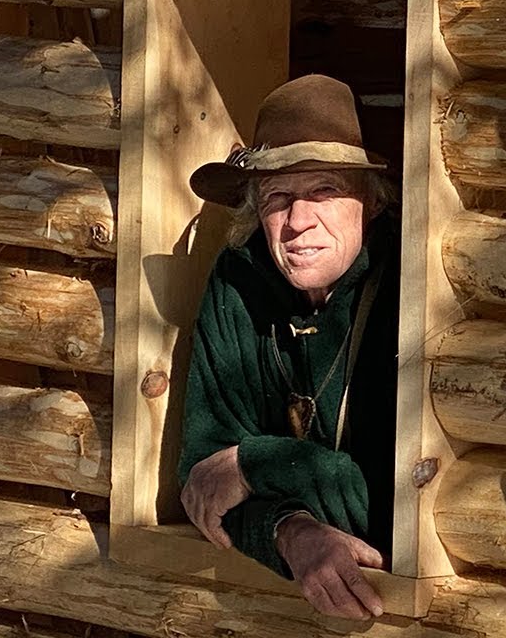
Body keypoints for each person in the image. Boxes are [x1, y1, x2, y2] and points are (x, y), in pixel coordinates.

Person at [178, 74, 398, 621]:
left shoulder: (406, 288)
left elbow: (391, 508)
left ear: (369, 202)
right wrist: (291, 531)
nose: (298, 222)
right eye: (278, 196)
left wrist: (254, 464)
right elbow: (203, 485)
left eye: (324, 190)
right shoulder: (238, 280)